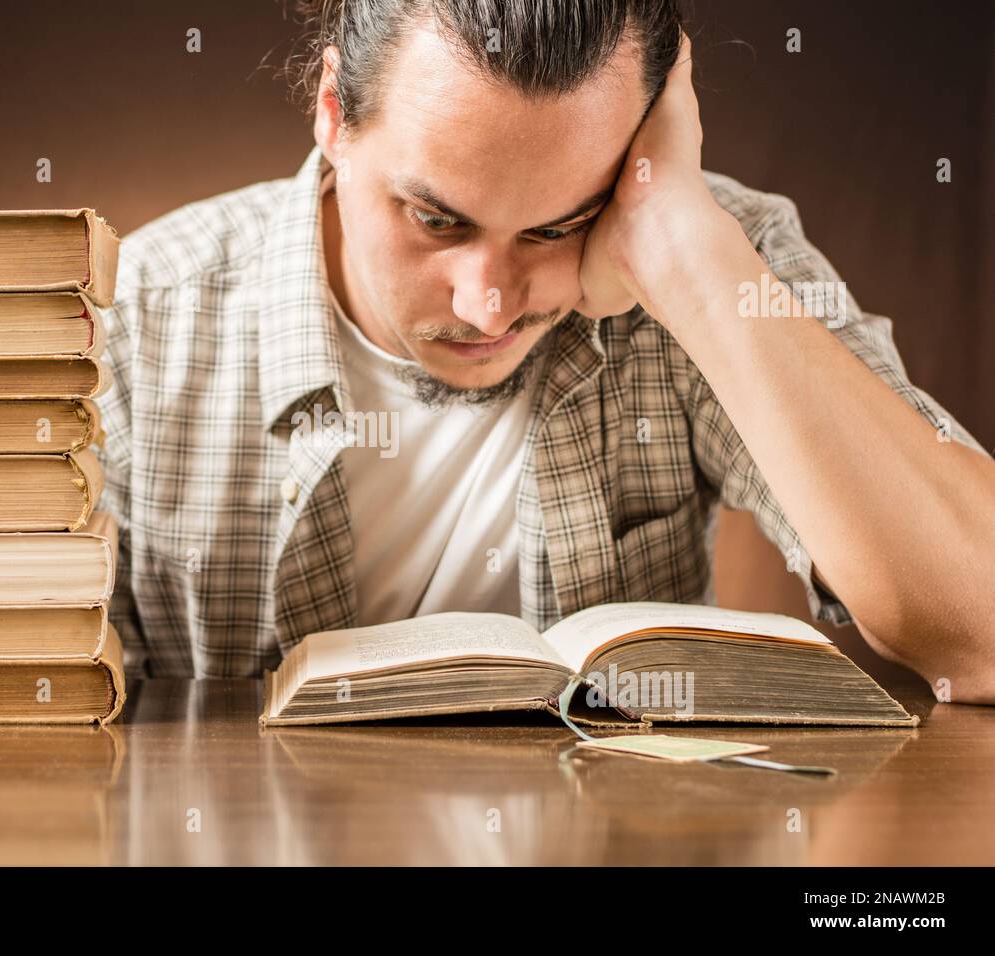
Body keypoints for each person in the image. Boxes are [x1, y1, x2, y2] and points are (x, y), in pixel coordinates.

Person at [92, 0, 995, 702]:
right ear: (333, 112)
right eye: (437, 219)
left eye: (558, 226)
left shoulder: (705, 261)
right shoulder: (135, 323)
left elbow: (983, 632)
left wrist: (686, 249)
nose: (488, 303)